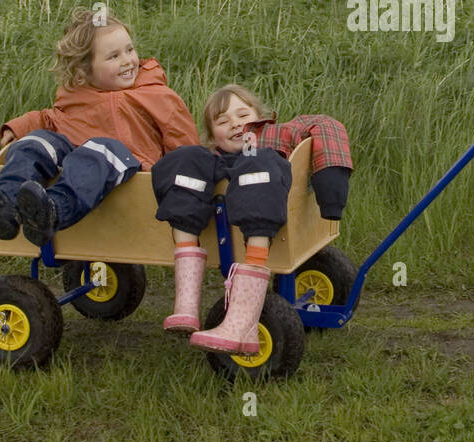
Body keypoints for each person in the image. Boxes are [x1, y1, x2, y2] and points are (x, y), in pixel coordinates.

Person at [0, 7, 200, 246]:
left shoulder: (156, 95)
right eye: (114, 56)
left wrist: (189, 180)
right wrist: (18, 128)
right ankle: (5, 206)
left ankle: (53, 210)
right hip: (76, 165)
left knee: (103, 148)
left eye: (129, 50)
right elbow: (50, 119)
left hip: (128, 169)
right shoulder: (76, 95)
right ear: (85, 70)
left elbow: (182, 142)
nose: (128, 60)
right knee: (35, 142)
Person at [150, 83, 352, 352]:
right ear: (212, 137)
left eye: (243, 116)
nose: (235, 124)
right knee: (184, 158)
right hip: (214, 187)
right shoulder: (208, 158)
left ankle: (242, 323)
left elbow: (322, 125)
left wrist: (331, 195)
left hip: (263, 199)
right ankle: (186, 306)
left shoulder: (271, 144)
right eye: (222, 121)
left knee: (259, 164)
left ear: (261, 117)